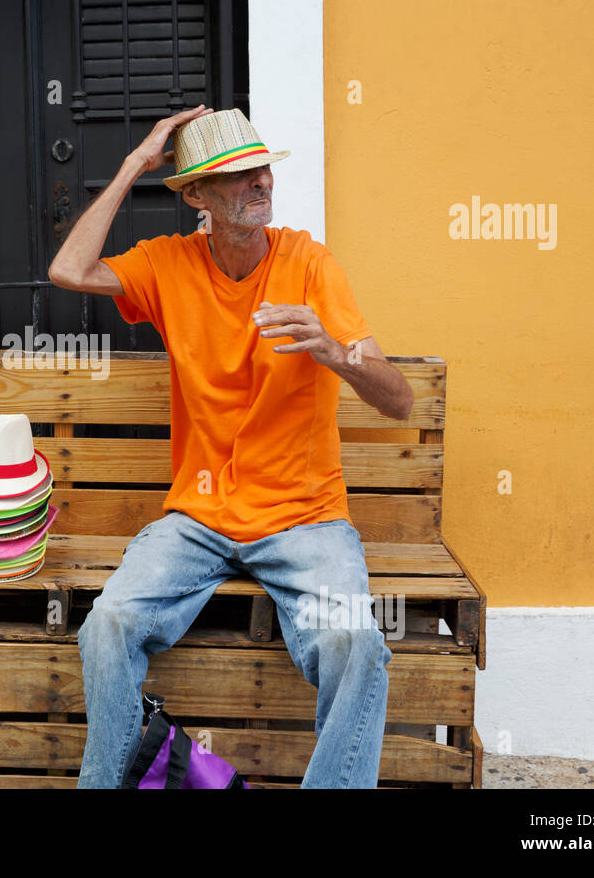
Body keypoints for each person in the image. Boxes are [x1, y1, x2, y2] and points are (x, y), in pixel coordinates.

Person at [47, 105, 415, 788]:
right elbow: (69, 269)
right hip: (199, 520)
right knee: (107, 626)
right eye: (238, 176)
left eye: (262, 170)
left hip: (305, 517)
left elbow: (399, 400)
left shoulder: (310, 265)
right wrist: (135, 162)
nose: (260, 184)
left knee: (355, 644)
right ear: (195, 197)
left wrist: (335, 352)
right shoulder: (167, 264)